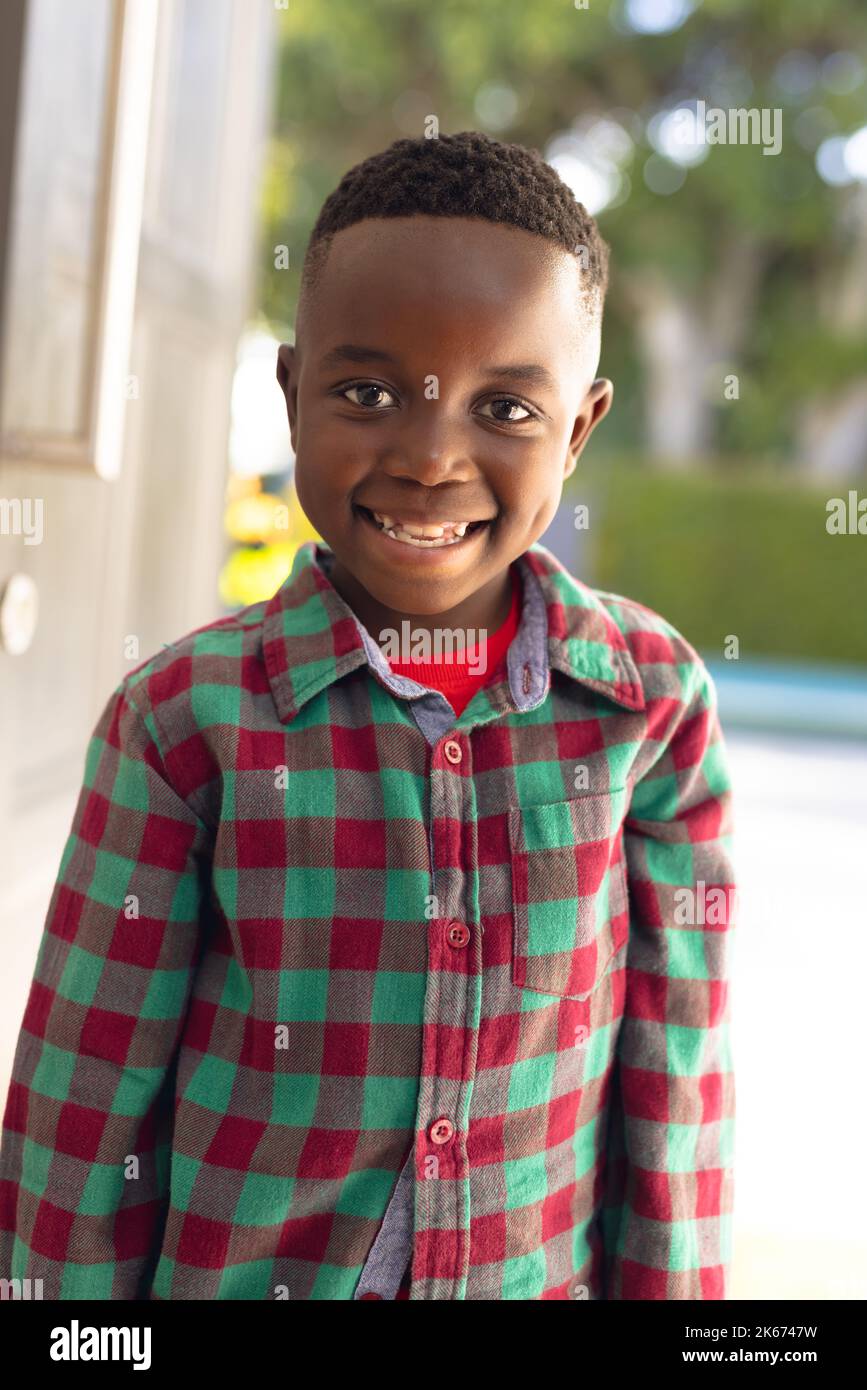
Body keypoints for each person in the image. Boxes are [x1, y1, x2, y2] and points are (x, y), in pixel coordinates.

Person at [0, 130, 736, 1300]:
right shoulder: (183, 723)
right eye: (369, 392)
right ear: (293, 396)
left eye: (505, 407)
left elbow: (674, 1092)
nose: (432, 456)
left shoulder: (650, 712)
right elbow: (79, 1119)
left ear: (581, 430)